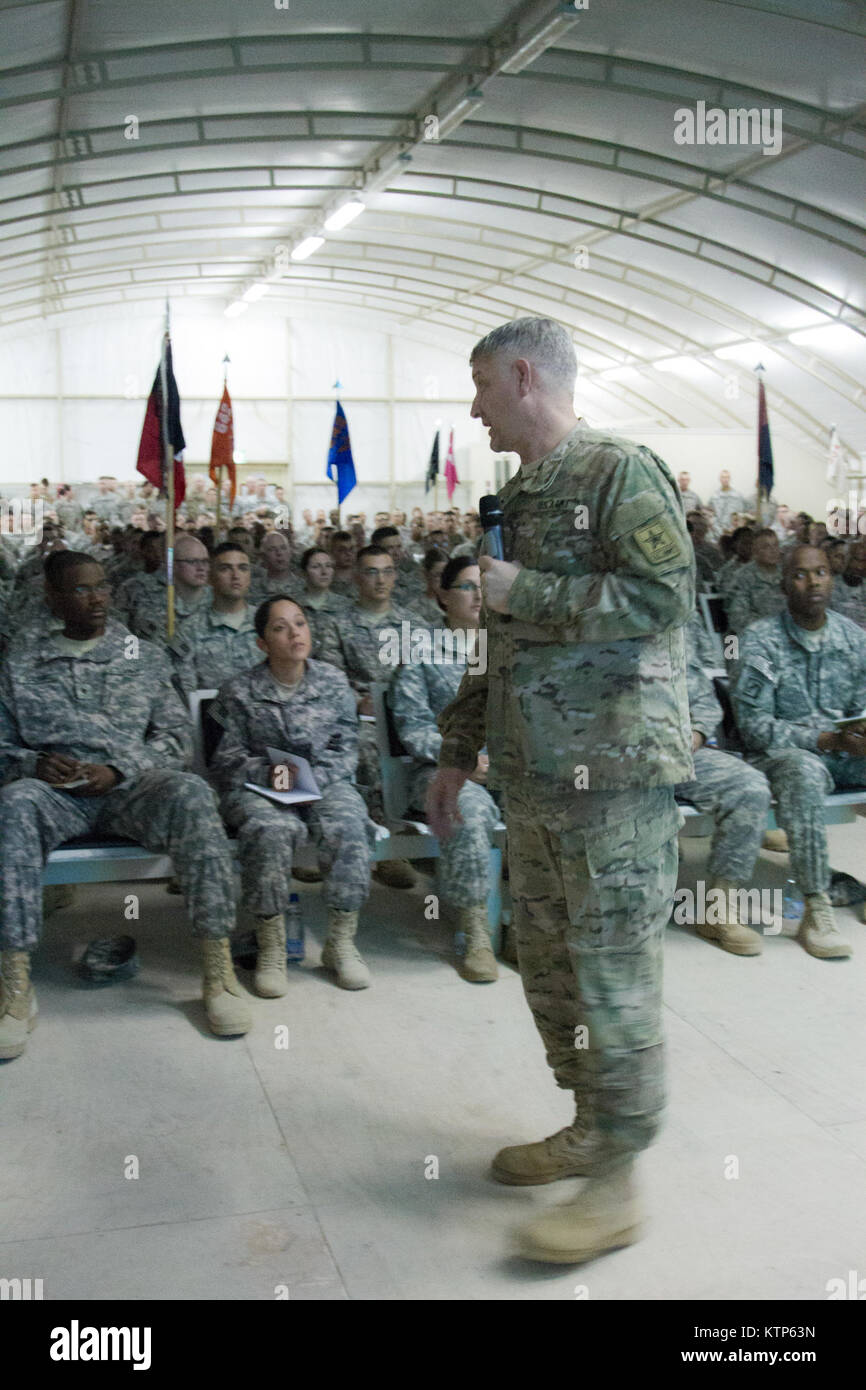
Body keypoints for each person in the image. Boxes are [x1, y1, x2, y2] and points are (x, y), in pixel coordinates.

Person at [426, 316, 694, 1265]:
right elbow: (502, 644)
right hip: (534, 779)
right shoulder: (518, 497)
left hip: (614, 780)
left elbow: (665, 597)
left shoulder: (620, 471)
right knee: (549, 968)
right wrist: (458, 745)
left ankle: (619, 1183)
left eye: (481, 386)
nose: (473, 407)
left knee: (613, 976)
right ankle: (589, 1122)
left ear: (523, 376)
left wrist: (524, 592)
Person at [0, 551, 252, 1058]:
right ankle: (14, 986)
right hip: (55, 794)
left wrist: (119, 769)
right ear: (51, 598)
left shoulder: (141, 653)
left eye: (102, 588)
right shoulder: (22, 659)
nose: (96, 599)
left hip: (130, 789)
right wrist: (31, 764)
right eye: (80, 590)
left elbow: (175, 736)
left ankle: (218, 973)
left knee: (192, 793)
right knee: (13, 806)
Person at [208, 597, 374, 992]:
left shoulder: (333, 683)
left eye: (300, 623)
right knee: (268, 829)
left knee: (348, 822)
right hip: (261, 790)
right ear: (262, 642)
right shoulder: (238, 692)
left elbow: (347, 746)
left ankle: (341, 943)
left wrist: (310, 782)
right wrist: (273, 776)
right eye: (281, 627)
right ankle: (271, 945)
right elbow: (226, 759)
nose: (295, 632)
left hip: (324, 783)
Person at [731, 545, 866, 957]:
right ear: (784, 583)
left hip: (846, 753)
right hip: (783, 756)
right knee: (804, 771)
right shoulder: (760, 641)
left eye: (822, 572)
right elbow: (754, 728)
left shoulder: (853, 637)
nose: (813, 583)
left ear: (833, 576)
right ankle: (816, 906)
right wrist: (825, 740)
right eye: (801, 575)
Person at [390, 557, 500, 982]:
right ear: (443, 595)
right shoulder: (422, 651)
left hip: (507, 767)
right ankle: (476, 931)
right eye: (468, 587)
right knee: (467, 811)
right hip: (441, 771)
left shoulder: (511, 648)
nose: (479, 596)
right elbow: (413, 725)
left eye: (485, 587)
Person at [317, 545, 431, 889]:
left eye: (386, 571)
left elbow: (428, 678)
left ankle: (419, 829)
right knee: (367, 748)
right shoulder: (335, 625)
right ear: (355, 577)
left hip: (408, 717)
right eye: (370, 572)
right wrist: (356, 702)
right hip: (357, 719)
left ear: (395, 576)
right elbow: (329, 677)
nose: (380, 580)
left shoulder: (414, 625)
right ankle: (386, 847)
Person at [674, 615, 772, 955]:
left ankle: (719, 907)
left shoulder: (677, 623)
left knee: (749, 787)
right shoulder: (594, 617)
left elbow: (703, 698)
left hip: (680, 752)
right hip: (613, 754)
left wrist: (697, 732)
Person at [175, 542, 262, 695]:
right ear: (210, 577)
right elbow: (185, 691)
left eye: (243, 568)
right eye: (225, 569)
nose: (235, 576)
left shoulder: (266, 623)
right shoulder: (189, 630)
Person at [726, 528, 785, 634]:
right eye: (766, 547)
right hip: (758, 637)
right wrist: (771, 628)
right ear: (755, 550)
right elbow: (737, 618)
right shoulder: (742, 577)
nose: (773, 550)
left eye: (776, 545)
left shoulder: (787, 574)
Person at [295, 546, 352, 652]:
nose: (324, 572)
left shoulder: (346, 605)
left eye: (328, 566)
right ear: (303, 573)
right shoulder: (293, 606)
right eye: (316, 567)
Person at [708, 470, 747, 534]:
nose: (725, 479)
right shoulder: (714, 497)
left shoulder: (738, 496)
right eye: (723, 477)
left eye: (727, 477)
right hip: (717, 532)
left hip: (734, 531)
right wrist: (715, 527)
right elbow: (710, 516)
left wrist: (736, 527)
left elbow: (742, 514)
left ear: (730, 479)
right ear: (720, 479)